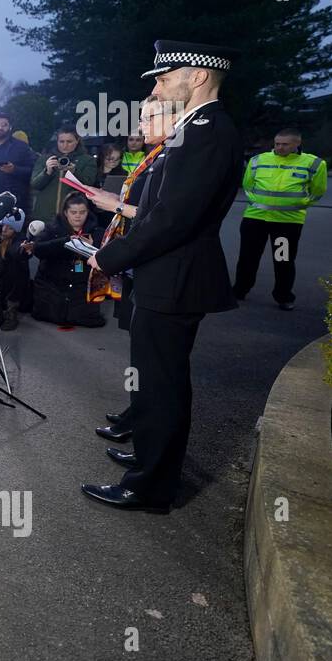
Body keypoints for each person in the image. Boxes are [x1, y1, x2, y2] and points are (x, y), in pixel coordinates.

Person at [84, 40, 244, 512]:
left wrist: (110, 258)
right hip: (165, 275)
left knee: (163, 384)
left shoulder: (208, 131)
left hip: (175, 278)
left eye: (162, 77)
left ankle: (149, 486)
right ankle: (148, 460)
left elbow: (173, 218)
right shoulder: (193, 129)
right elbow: (161, 210)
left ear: (197, 77)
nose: (156, 87)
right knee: (155, 382)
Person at [84, 98, 175, 443]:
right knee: (138, 348)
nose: (140, 127)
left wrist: (116, 205)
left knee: (154, 361)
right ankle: (137, 412)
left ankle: (146, 429)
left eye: (148, 118)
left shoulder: (173, 157)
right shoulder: (157, 156)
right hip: (137, 263)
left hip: (154, 266)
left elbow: (162, 218)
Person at [233, 127, 327, 310]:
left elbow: (318, 191)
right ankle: (239, 290)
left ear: (297, 144)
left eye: (285, 144)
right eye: (277, 144)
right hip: (255, 219)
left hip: (286, 222)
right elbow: (248, 185)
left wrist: (300, 205)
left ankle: (283, 296)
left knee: (282, 259)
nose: (280, 147)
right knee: (248, 258)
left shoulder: (313, 163)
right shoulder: (258, 160)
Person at [29, 192, 106, 328]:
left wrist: (91, 248)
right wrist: (65, 242)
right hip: (52, 284)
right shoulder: (52, 228)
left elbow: (107, 260)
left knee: (86, 318)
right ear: (65, 212)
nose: (78, 216)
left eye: (82, 212)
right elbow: (38, 250)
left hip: (81, 286)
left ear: (88, 212)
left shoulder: (97, 231)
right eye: (73, 212)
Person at [28, 124, 97, 226]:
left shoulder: (87, 160)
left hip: (71, 218)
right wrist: (47, 172)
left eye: (69, 142)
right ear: (57, 142)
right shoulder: (45, 159)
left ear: (77, 141)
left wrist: (74, 172)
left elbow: (89, 186)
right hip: (44, 217)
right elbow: (35, 184)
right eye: (61, 141)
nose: (65, 145)